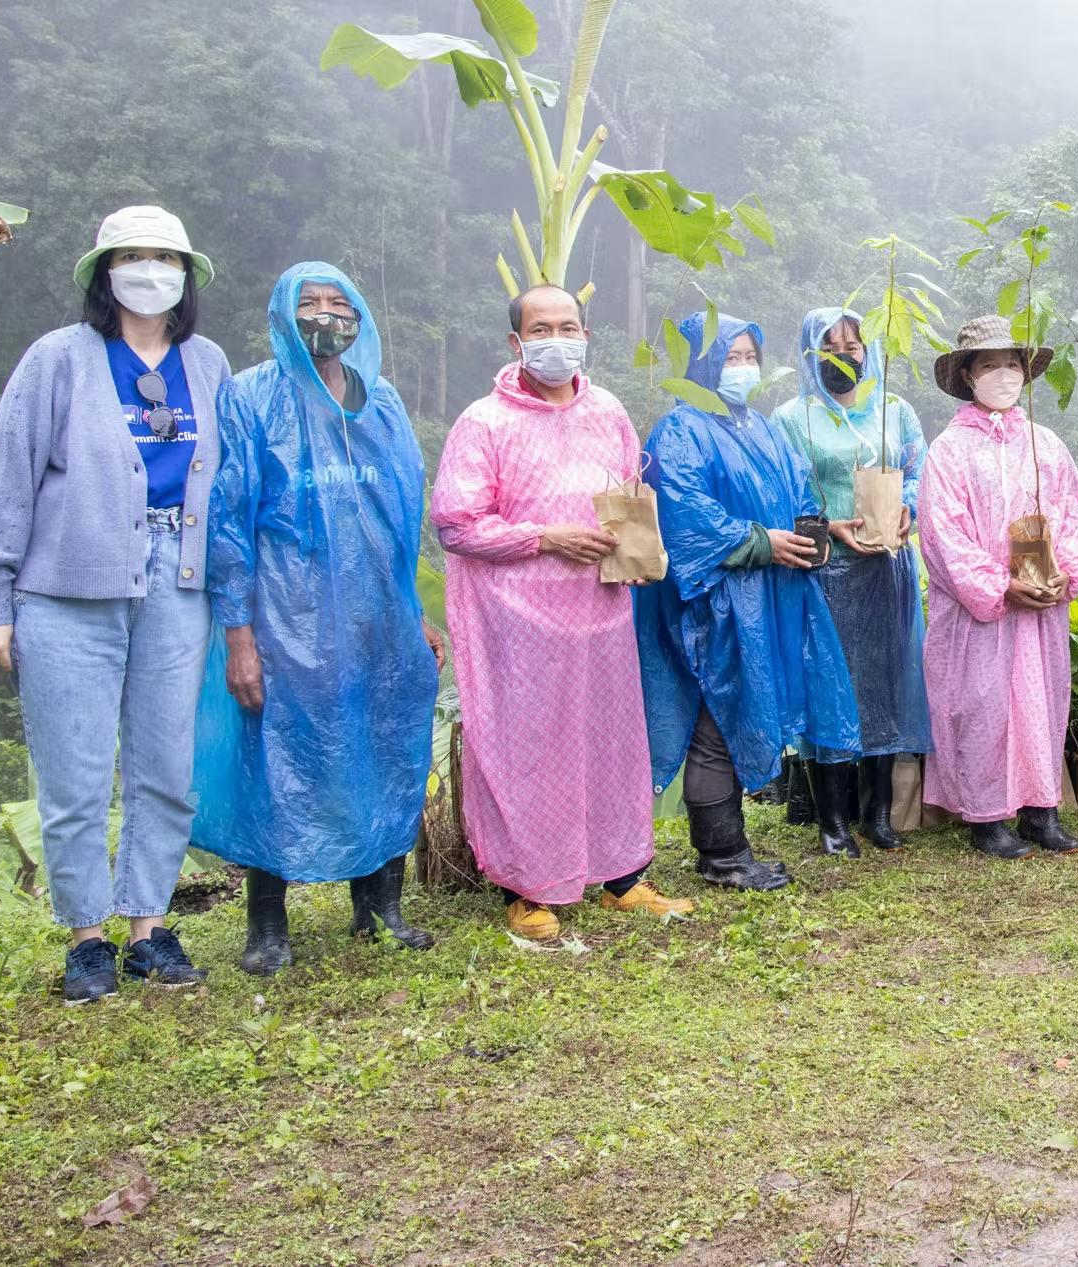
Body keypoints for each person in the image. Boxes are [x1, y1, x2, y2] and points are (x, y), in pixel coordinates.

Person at [0, 204, 228, 1001]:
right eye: (132, 255)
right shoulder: (59, 358)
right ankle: (87, 938)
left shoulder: (207, 362)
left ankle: (148, 928)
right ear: (104, 272)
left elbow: (225, 478)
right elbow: (7, 477)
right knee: (75, 772)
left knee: (167, 766)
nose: (150, 270)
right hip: (67, 586)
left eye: (165, 257)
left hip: (177, 582)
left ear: (186, 275)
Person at [192, 264, 447, 977]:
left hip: (377, 615)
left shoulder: (381, 401)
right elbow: (229, 521)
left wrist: (414, 611)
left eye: (341, 304)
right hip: (288, 616)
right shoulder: (252, 396)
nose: (327, 316)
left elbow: (402, 515)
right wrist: (239, 635)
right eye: (310, 303)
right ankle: (268, 923)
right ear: (283, 314)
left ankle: (380, 907)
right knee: (277, 755)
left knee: (386, 743)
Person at [431, 285, 691, 943]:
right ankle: (527, 887)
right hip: (520, 627)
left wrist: (637, 551)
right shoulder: (485, 423)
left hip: (601, 617)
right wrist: (547, 538)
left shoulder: (608, 412)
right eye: (541, 328)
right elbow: (457, 524)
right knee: (530, 752)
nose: (556, 339)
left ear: (585, 335)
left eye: (567, 327)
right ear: (516, 342)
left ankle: (622, 878)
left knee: (611, 747)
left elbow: (628, 494)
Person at [637, 314, 860, 890]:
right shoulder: (679, 430)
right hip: (715, 601)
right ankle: (723, 856)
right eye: (729, 357)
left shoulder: (761, 428)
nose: (742, 368)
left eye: (748, 357)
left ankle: (728, 848)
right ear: (701, 363)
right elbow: (683, 514)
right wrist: (761, 541)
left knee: (738, 714)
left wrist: (813, 533)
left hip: (765, 598)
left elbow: (799, 493)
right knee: (715, 722)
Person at [916, 315, 1078, 858]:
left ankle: (1041, 812)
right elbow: (943, 535)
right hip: (978, 615)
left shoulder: (1046, 445)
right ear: (967, 375)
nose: (1003, 374)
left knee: (1041, 701)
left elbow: (1074, 516)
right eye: (989, 364)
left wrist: (1067, 573)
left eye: (1012, 364)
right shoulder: (949, 450)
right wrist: (998, 587)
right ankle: (987, 816)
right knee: (981, 706)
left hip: (1040, 607)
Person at [771, 308, 933, 853]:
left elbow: (917, 471)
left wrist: (907, 507)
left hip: (886, 568)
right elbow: (784, 491)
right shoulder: (792, 418)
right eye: (829, 346)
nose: (843, 356)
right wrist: (829, 524)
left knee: (883, 684)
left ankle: (877, 814)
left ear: (870, 351)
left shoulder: (894, 411)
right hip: (828, 573)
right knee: (830, 687)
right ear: (809, 353)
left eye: (853, 346)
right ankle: (833, 821)